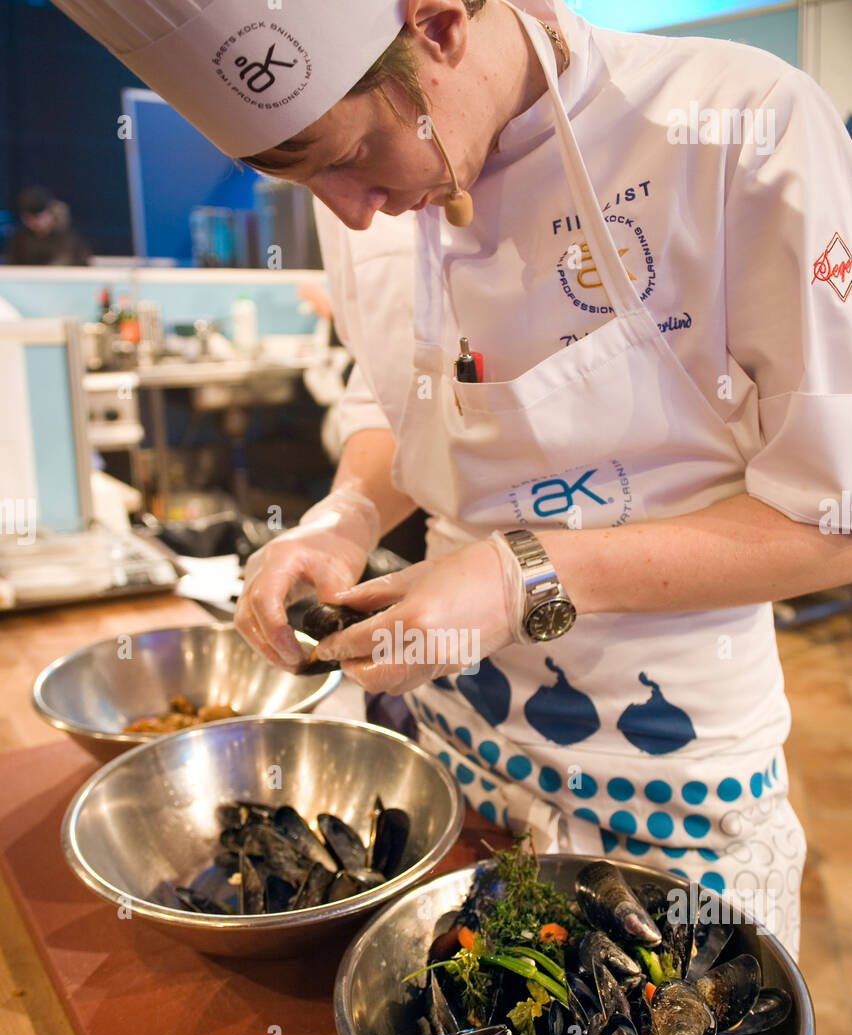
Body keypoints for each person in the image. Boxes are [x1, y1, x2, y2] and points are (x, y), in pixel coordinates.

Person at [55, 0, 852, 960]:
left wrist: (522, 577)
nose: (349, 212)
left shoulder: (739, 127)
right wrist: (342, 520)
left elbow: (830, 516)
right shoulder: (368, 196)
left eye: (343, 153)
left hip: (670, 790)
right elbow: (403, 407)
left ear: (438, 23)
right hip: (450, 766)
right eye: (297, 176)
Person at [7, 186, 88, 265]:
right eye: (28, 218)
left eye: (38, 216)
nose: (34, 222)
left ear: (50, 213)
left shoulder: (68, 240)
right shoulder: (20, 240)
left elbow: (81, 264)